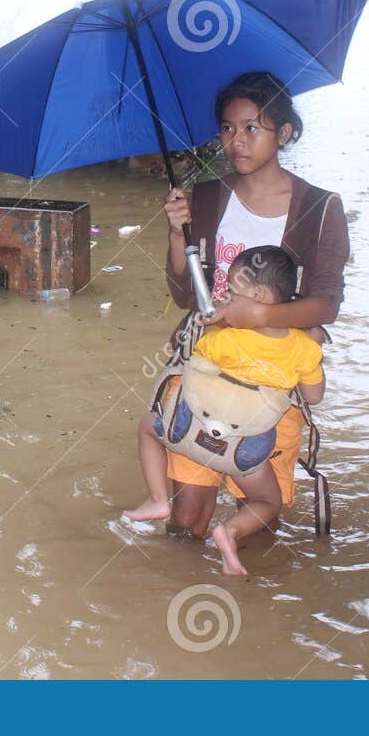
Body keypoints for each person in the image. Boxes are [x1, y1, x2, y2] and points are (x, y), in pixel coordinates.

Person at [156, 71, 350, 541]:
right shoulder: (204, 196)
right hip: (203, 371)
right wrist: (175, 231)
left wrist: (261, 316)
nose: (236, 141)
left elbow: (325, 304)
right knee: (186, 520)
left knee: (259, 521)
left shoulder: (320, 208)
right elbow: (185, 295)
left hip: (273, 385)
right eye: (226, 128)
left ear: (283, 133)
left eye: (251, 128)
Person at [125, 246, 325, 575]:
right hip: (246, 451)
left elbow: (193, 370)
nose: (224, 296)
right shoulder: (305, 349)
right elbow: (314, 397)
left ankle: (158, 499)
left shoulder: (221, 338)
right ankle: (230, 532)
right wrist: (310, 350)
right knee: (267, 504)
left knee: (148, 428)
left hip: (190, 435)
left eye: (231, 290)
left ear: (258, 295)